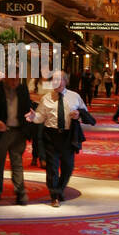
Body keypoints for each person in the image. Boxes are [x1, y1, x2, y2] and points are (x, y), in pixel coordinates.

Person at [27, 68, 89, 208]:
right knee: (52, 168)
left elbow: (85, 113)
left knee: (68, 167)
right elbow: (40, 117)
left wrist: (78, 114)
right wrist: (33, 117)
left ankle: (59, 189)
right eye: (53, 80)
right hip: (51, 136)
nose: (56, 82)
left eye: (59, 79)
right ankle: (54, 196)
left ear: (65, 81)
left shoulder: (75, 97)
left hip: (68, 137)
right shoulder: (46, 98)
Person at [0, 74, 31, 204]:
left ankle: (20, 192)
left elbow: (27, 108)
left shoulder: (22, 89)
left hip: (18, 132)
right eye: (12, 79)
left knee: (17, 163)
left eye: (17, 79)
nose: (15, 82)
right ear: (6, 78)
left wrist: (29, 122)